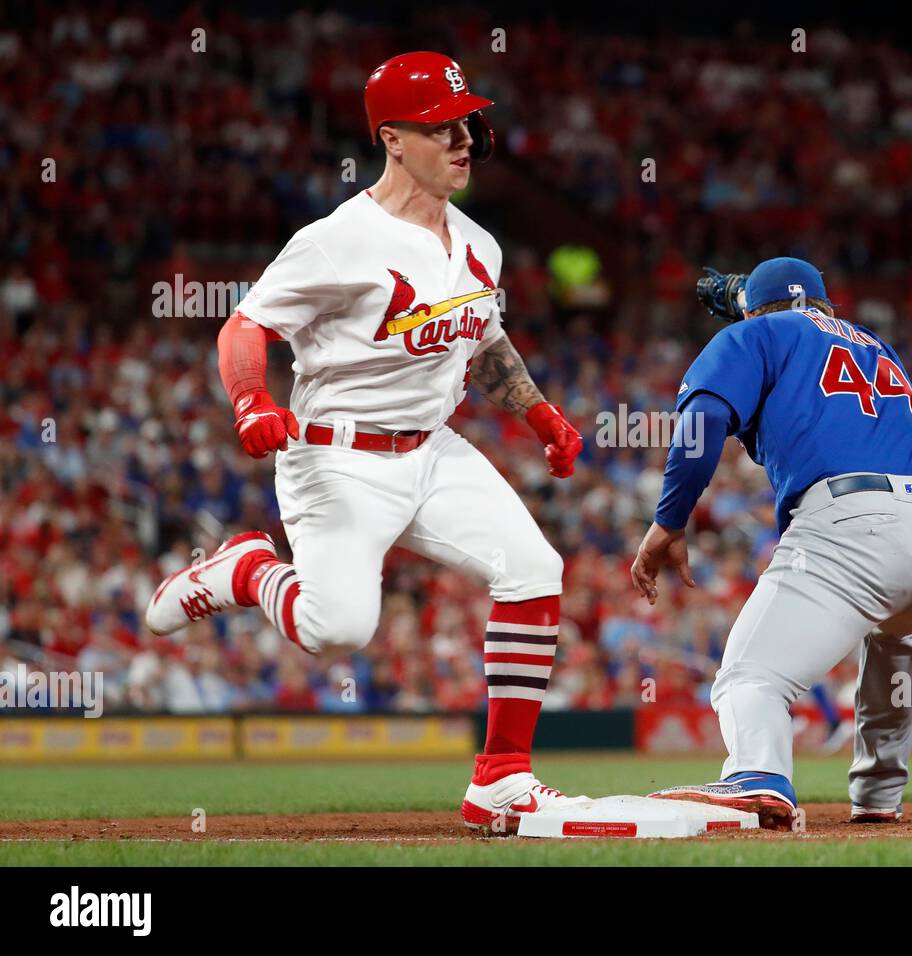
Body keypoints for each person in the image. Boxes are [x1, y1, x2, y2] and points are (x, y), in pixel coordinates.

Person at [144, 52, 584, 833]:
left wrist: (539, 414)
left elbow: (482, 344)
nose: (465, 139)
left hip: (433, 449)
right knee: (338, 631)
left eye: (469, 124)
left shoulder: (481, 243)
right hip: (335, 458)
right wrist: (251, 399)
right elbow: (246, 324)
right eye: (442, 127)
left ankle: (501, 781)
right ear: (392, 139)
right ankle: (246, 568)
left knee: (535, 571)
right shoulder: (337, 240)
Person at [633, 257, 912, 829]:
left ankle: (758, 775)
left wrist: (669, 521)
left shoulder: (751, 332)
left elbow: (704, 419)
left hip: (856, 523)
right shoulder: (871, 344)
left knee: (751, 678)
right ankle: (878, 793)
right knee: (894, 634)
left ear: (753, 307)